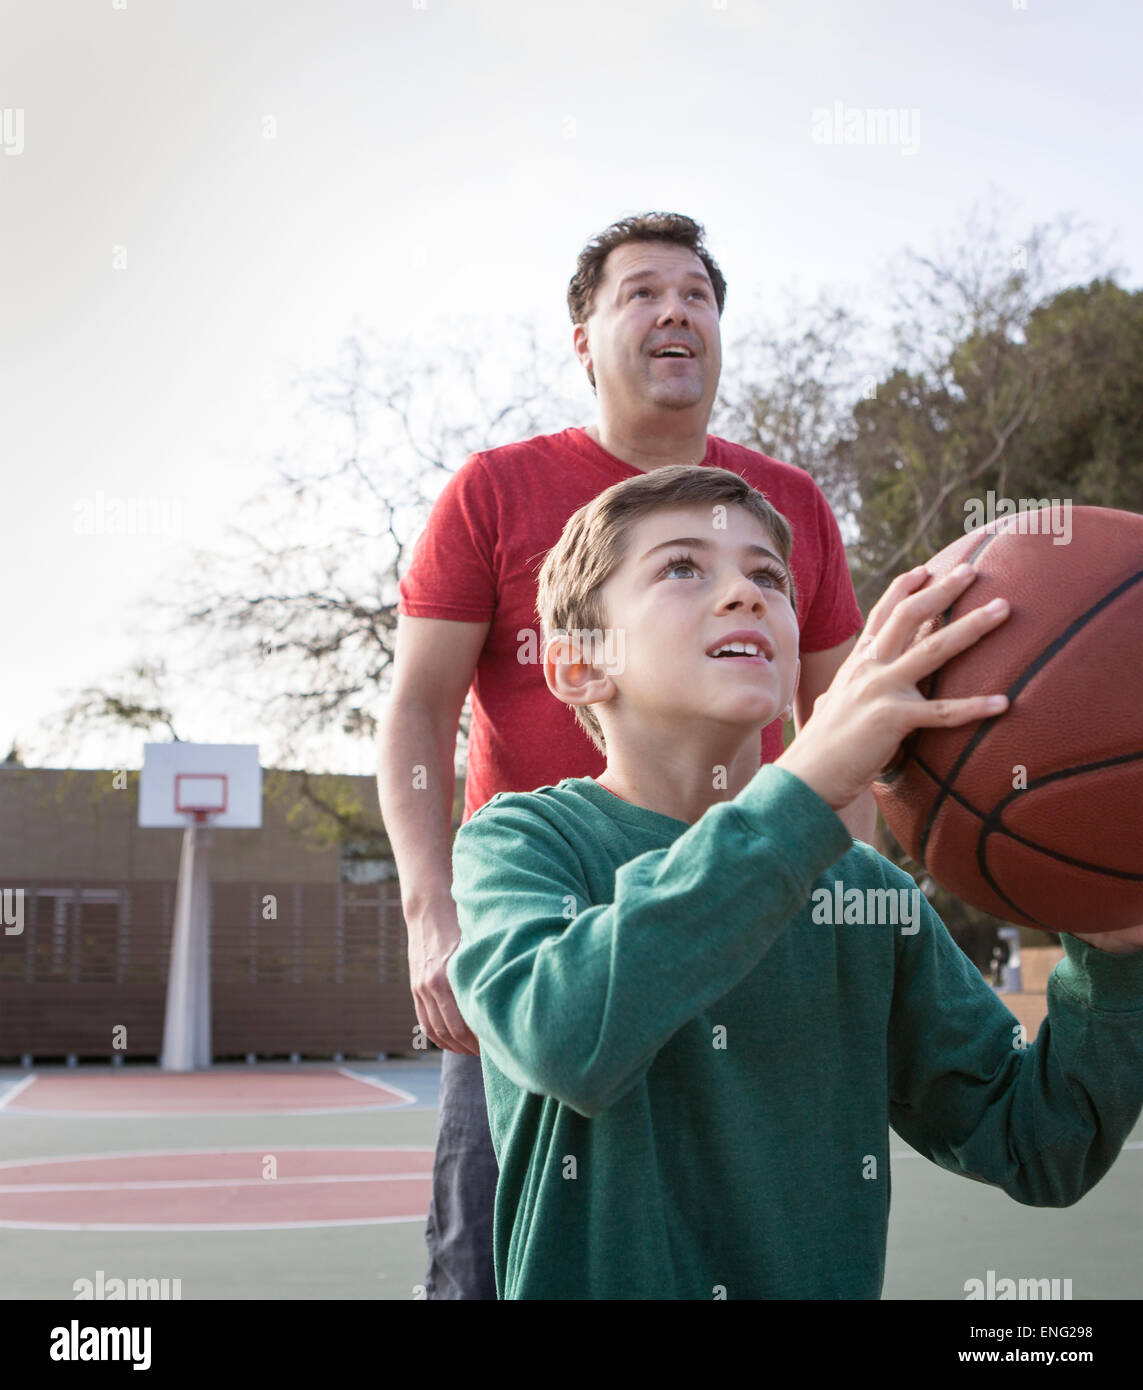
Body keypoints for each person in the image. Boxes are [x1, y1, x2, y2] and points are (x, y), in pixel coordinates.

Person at [446, 463, 1143, 1300]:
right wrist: (806, 786)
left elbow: (1039, 1144)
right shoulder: (525, 842)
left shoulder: (862, 894)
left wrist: (1111, 947)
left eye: (768, 576)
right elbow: (565, 1038)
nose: (744, 592)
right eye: (680, 567)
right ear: (577, 666)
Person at [378, 212, 870, 1299]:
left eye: (697, 293)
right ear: (583, 337)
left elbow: (848, 725)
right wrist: (430, 910)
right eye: (641, 292)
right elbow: (416, 710)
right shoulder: (494, 492)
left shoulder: (792, 508)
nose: (676, 309)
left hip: (748, 921)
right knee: (487, 1268)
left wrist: (851, 913)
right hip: (550, 941)